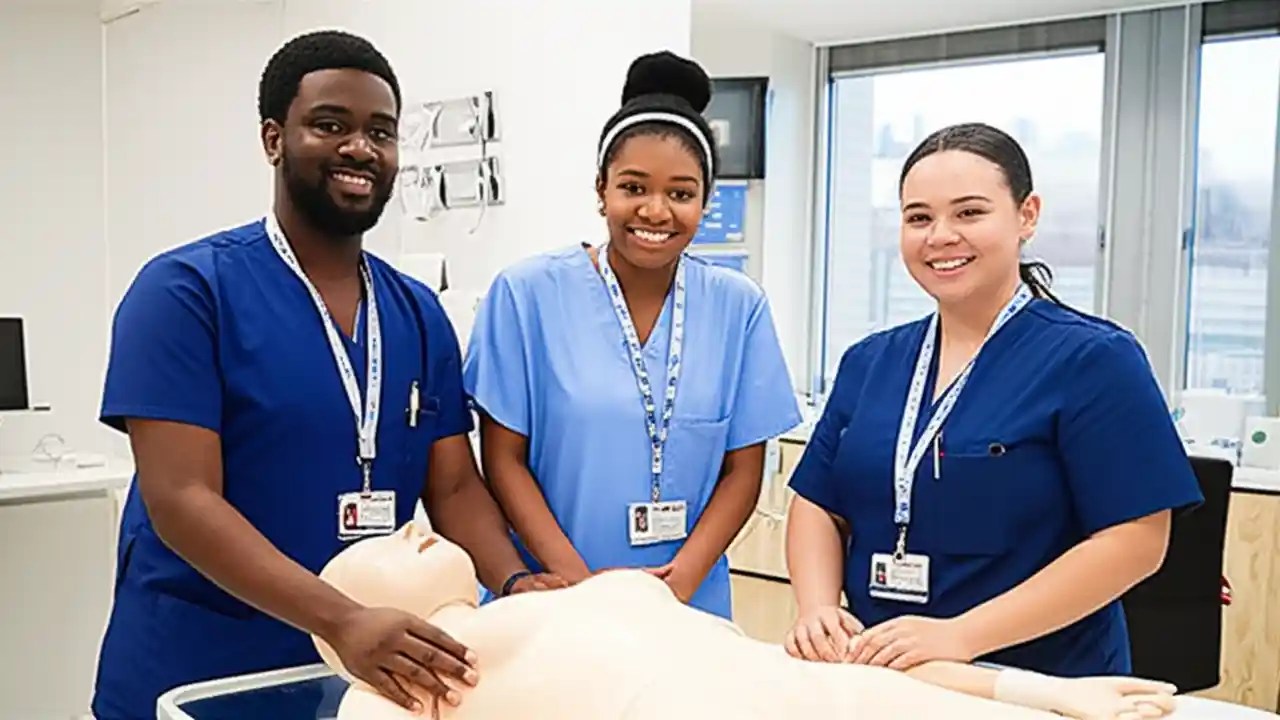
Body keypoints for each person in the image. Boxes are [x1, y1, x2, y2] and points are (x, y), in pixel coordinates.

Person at [92, 30, 561, 720]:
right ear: (273, 138)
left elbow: (454, 485)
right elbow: (182, 498)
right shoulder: (186, 292)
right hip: (199, 669)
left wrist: (514, 580)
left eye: (381, 131)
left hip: (363, 677)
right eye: (330, 125)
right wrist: (341, 619)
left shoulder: (416, 313)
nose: (360, 148)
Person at [783, 122, 1204, 678]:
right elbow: (818, 503)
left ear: (1026, 215)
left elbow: (1136, 541)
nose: (939, 236)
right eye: (918, 217)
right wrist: (817, 609)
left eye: (969, 213)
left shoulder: (1093, 360)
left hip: (1037, 684)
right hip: (881, 677)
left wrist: (962, 636)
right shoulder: (870, 362)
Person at [461, 51, 801, 619]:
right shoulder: (527, 295)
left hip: (685, 605)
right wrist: (577, 585)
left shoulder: (737, 307)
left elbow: (744, 469)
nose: (656, 210)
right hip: (552, 598)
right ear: (601, 189)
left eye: (681, 193)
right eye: (633, 186)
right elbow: (502, 460)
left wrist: (680, 583)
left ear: (704, 200)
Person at [313, 521, 1182, 720]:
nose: (414, 523)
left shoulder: (589, 599)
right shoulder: (402, 694)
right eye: (382, 547)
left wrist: (1042, 691)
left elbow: (816, 669)